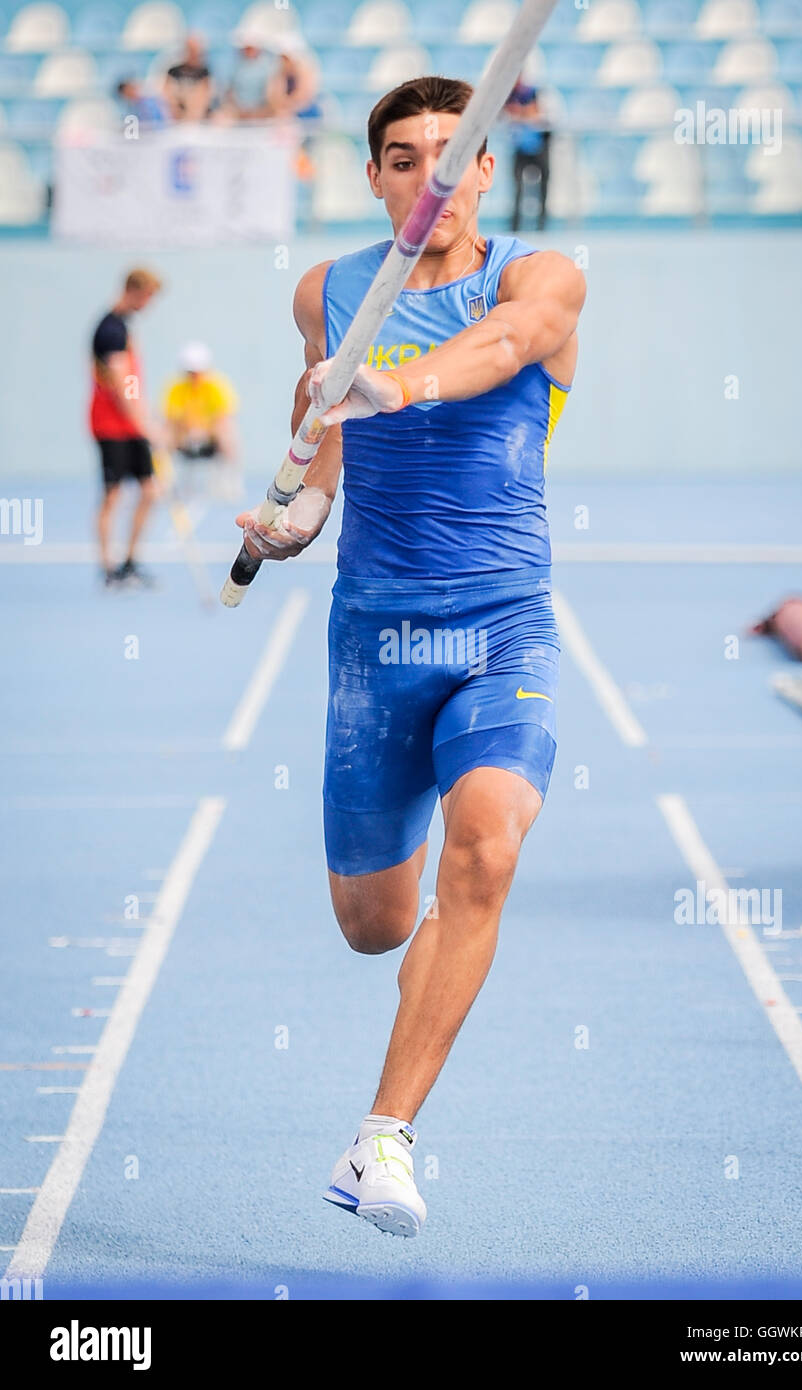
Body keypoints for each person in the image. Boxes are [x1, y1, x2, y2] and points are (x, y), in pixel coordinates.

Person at [235, 73, 585, 1239]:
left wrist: (397, 382)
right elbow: (318, 449)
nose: (430, 173)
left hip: (503, 627)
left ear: (485, 169)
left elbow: (506, 348)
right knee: (378, 924)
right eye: (404, 156)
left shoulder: (538, 279)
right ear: (377, 176)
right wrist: (297, 518)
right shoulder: (328, 293)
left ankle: (381, 1134)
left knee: (484, 850)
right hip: (374, 639)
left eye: (454, 152)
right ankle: (420, 970)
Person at [89, 268, 163, 588]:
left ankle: (130, 561)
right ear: (136, 291)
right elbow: (121, 386)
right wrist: (143, 421)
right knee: (113, 495)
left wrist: (144, 416)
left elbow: (131, 383)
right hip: (112, 426)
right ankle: (108, 568)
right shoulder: (111, 330)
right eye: (148, 298)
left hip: (131, 426)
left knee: (149, 491)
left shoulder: (123, 326)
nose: (148, 305)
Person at [162, 342, 241, 500]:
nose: (194, 377)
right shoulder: (176, 387)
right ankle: (164, 482)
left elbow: (223, 417)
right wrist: (188, 431)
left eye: (197, 372)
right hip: (185, 434)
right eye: (190, 372)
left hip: (210, 434)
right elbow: (172, 418)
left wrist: (204, 431)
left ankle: (230, 482)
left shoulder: (218, 386)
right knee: (163, 436)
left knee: (227, 433)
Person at [504, 73, 552, 232]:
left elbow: (536, 113)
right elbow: (507, 113)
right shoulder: (509, 94)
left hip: (539, 146)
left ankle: (541, 226)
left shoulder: (533, 91)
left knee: (543, 187)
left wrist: (520, 113)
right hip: (520, 147)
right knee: (517, 188)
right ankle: (515, 226)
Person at [220, 34, 274, 122]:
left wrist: (258, 110)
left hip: (261, 109)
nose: (248, 51)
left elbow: (271, 93)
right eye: (246, 48)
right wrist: (239, 109)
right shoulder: (236, 66)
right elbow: (229, 91)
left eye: (251, 48)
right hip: (239, 109)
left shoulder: (268, 67)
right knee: (221, 118)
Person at [163, 34, 212, 123]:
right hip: (176, 115)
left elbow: (203, 97)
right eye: (190, 50)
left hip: (196, 117)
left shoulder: (204, 72)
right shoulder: (174, 71)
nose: (193, 53)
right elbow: (167, 94)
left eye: (195, 50)